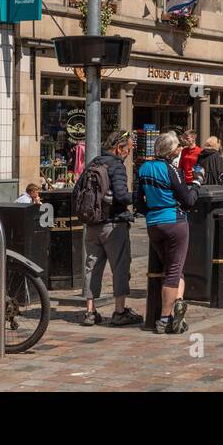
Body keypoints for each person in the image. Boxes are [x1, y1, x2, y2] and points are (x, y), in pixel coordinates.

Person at [133, 131, 197, 335]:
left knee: (173, 269)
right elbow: (187, 200)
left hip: (154, 223)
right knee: (173, 272)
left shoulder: (144, 168)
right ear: (170, 151)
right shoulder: (172, 170)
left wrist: (152, 210)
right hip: (174, 221)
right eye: (177, 147)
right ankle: (164, 319)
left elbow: (137, 201)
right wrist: (196, 185)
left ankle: (178, 304)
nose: (180, 150)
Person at [80, 130, 142, 328]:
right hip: (114, 224)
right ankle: (120, 311)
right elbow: (123, 196)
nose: (129, 153)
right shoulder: (117, 166)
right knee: (120, 267)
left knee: (92, 267)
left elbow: (77, 191)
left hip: (92, 224)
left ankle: (90, 312)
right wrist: (140, 198)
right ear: (119, 147)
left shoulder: (94, 162)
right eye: (129, 149)